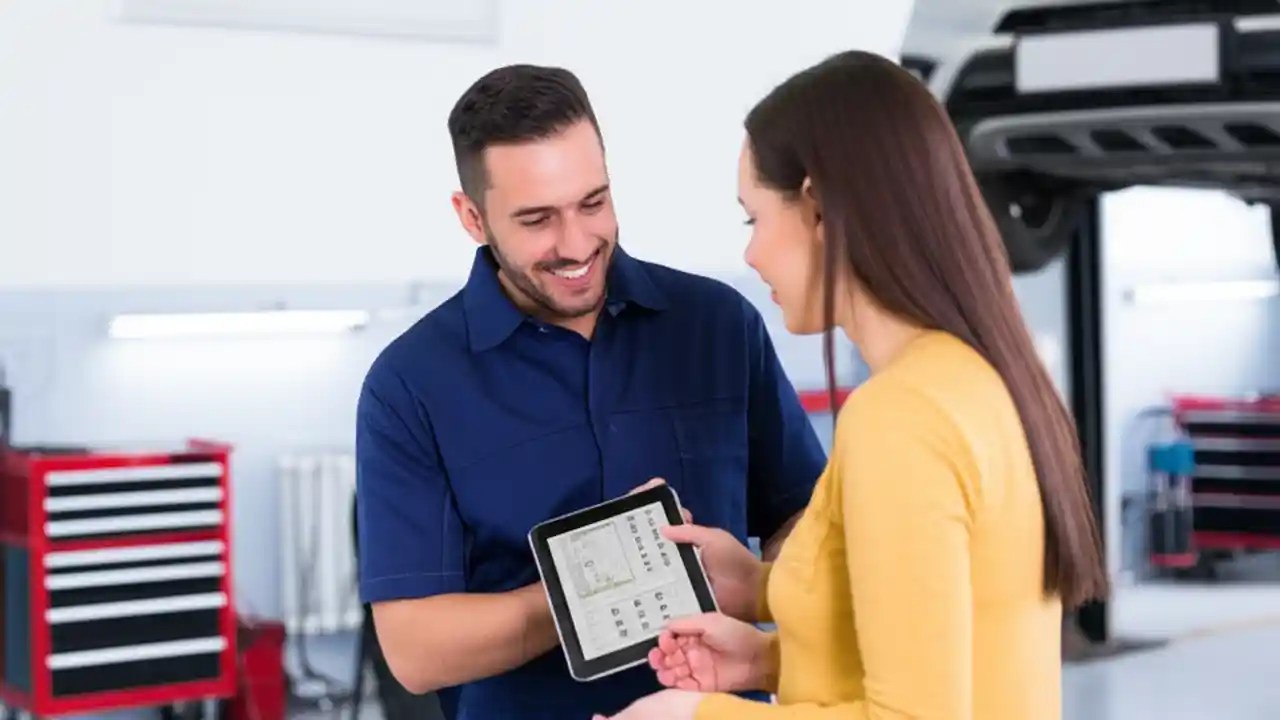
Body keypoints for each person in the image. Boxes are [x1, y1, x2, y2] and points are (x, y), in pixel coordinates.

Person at [596, 50, 1109, 720]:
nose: (750, 254)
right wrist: (764, 620)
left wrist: (688, 716)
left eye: (754, 218)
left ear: (818, 209)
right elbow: (949, 642)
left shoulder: (900, 417)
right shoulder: (979, 380)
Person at [354, 63, 827, 720]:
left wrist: (776, 589)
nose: (576, 242)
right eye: (538, 219)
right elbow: (415, 651)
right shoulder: (409, 385)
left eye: (593, 203)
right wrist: (606, 580)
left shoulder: (717, 325)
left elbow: (801, 519)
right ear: (472, 218)